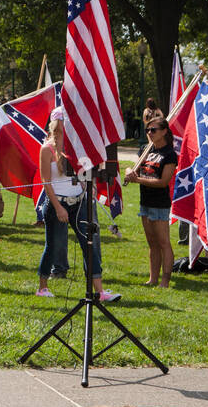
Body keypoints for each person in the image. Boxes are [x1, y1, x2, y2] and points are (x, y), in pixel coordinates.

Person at [35, 107, 120, 301]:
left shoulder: (76, 147)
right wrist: (58, 207)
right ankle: (42, 286)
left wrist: (87, 187)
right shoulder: (46, 149)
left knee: (89, 245)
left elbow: (83, 172)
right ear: (56, 127)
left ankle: (99, 291)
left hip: (80, 202)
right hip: (58, 203)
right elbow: (45, 182)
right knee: (54, 246)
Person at [125, 116, 177, 287]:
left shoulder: (169, 154)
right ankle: (153, 278)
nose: (149, 133)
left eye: (153, 130)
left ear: (164, 132)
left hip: (159, 204)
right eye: (147, 130)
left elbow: (163, 182)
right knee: (152, 243)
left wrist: (137, 180)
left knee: (163, 243)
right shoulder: (145, 149)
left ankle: (165, 280)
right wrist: (128, 172)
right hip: (145, 202)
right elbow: (133, 168)